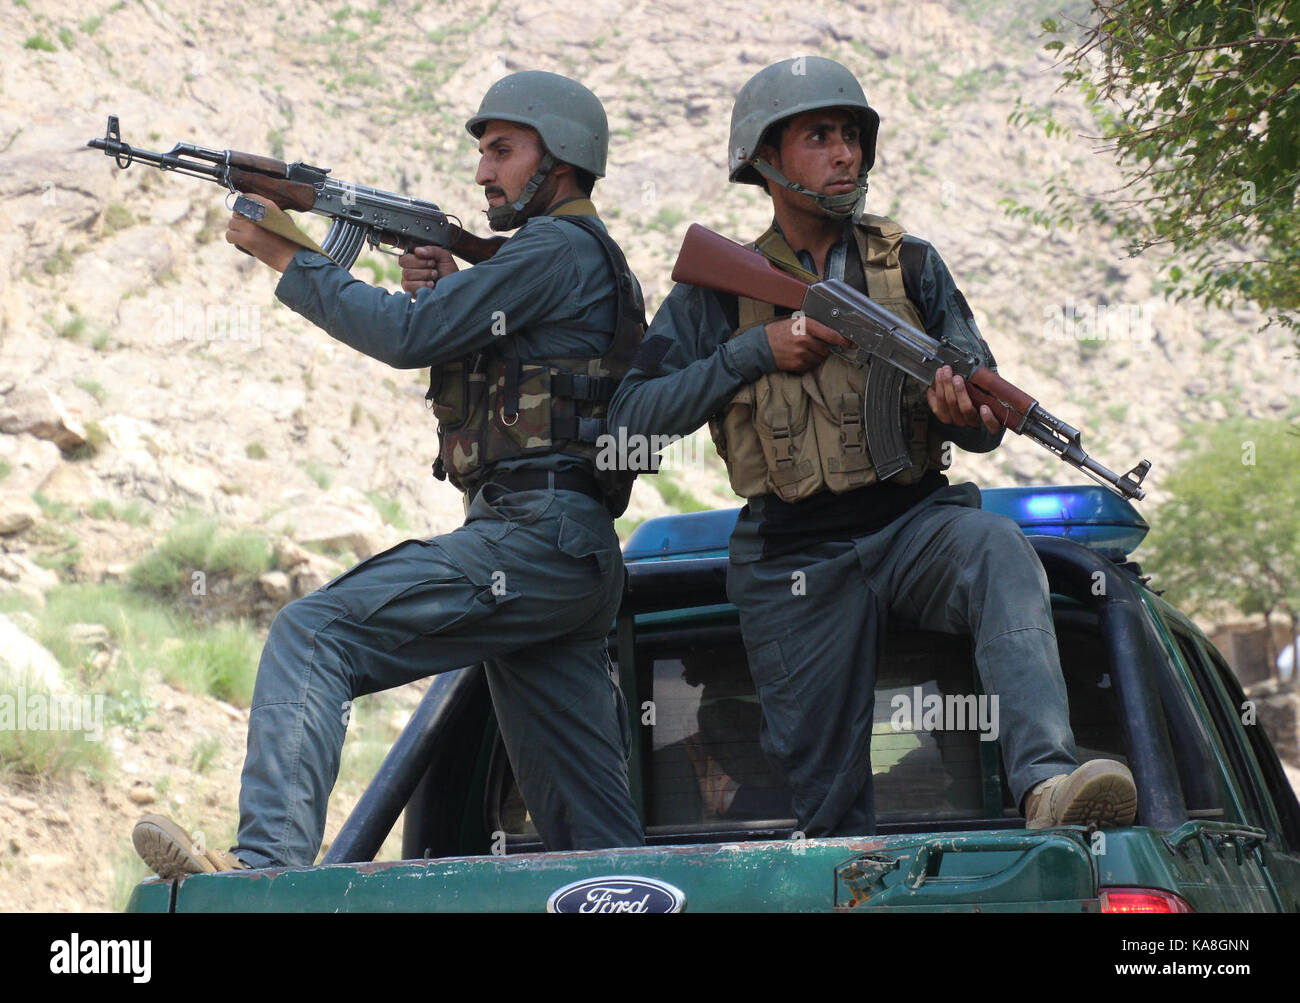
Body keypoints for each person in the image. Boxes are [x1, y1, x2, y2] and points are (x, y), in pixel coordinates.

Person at [133, 71, 646, 878]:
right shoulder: (578, 259)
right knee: (598, 846)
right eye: (483, 154)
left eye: (503, 152)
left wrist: (283, 254)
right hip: (569, 557)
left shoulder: (556, 247)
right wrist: (456, 290)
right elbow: (515, 357)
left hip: (533, 541)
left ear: (564, 158)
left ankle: (266, 872)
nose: (484, 173)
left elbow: (406, 336)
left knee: (313, 633)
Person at [607, 56, 1137, 836]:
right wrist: (757, 351)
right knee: (827, 809)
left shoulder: (913, 266)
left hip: (916, 527)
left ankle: (1046, 783)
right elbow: (630, 421)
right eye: (820, 136)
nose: (846, 152)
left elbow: (980, 413)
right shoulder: (717, 290)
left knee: (998, 548)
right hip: (793, 559)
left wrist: (964, 413)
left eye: (852, 135)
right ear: (764, 160)